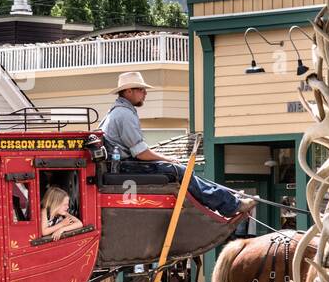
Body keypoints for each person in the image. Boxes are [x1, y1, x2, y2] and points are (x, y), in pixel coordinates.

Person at [101, 70, 257, 219]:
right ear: (128, 91)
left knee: (182, 171)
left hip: (121, 164)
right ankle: (231, 205)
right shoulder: (124, 114)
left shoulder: (116, 112)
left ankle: (230, 201)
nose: (145, 93)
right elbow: (141, 153)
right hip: (126, 166)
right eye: (141, 89)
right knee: (180, 170)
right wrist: (168, 159)